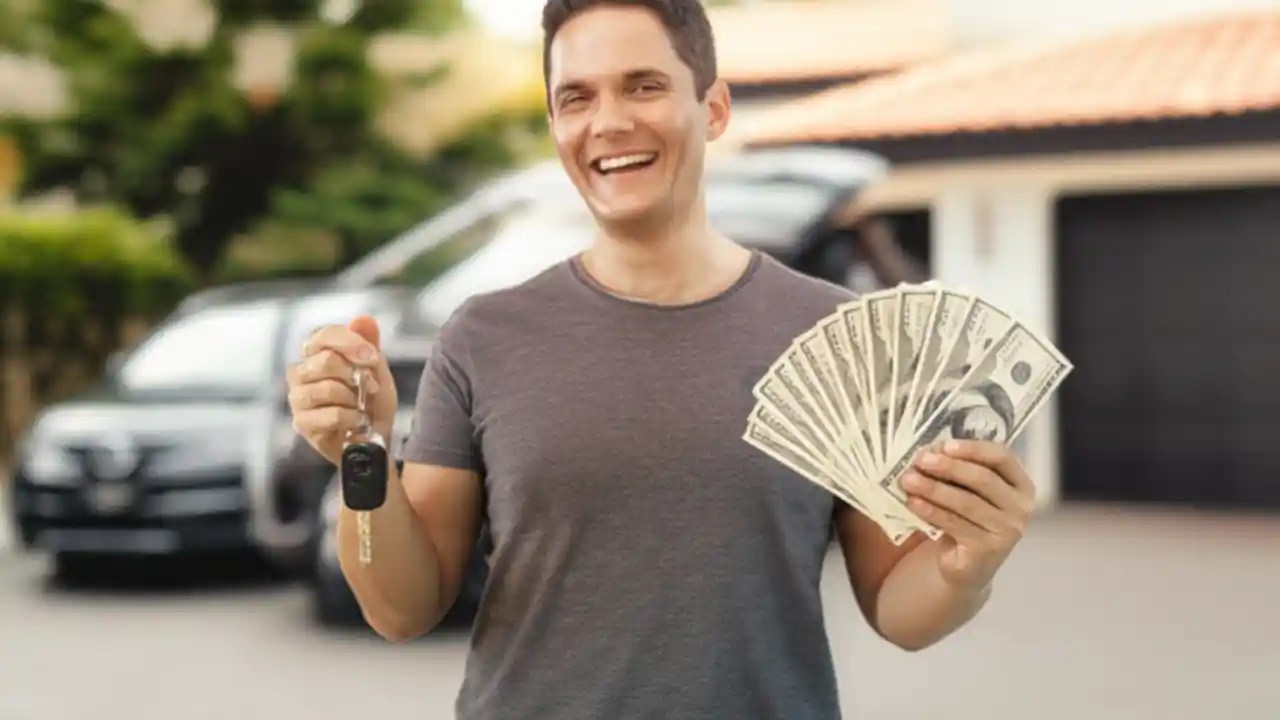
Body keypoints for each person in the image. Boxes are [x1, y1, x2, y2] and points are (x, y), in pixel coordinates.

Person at [285, 1, 1039, 717]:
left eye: (642, 86)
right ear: (554, 124)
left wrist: (965, 566)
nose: (609, 122)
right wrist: (364, 455)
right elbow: (401, 608)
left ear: (713, 108)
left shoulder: (832, 333)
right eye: (576, 98)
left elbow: (897, 607)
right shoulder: (482, 337)